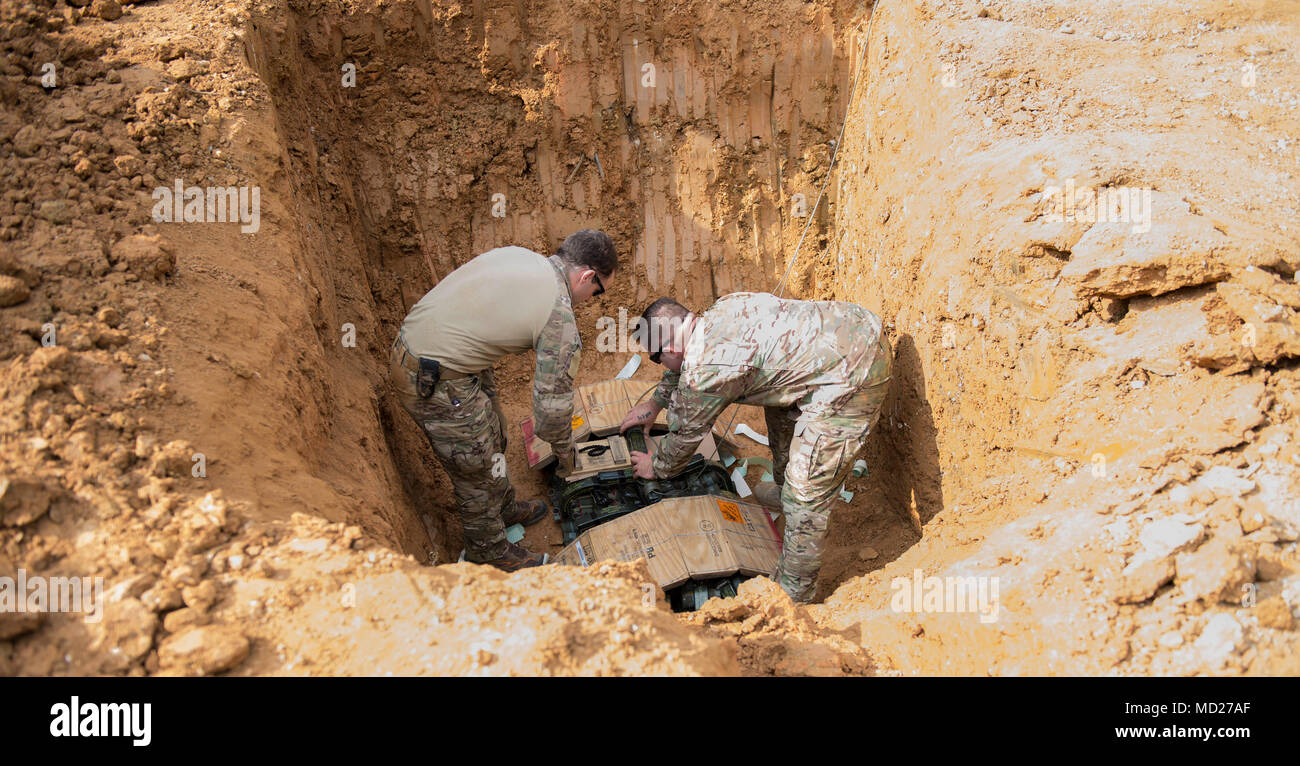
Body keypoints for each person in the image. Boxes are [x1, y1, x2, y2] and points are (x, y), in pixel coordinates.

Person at [619, 293, 892, 601]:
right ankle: (782, 487)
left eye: (657, 359)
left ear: (669, 349)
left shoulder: (706, 370)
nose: (661, 365)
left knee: (805, 492)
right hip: (851, 325)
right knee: (780, 414)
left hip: (854, 372)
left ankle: (795, 590)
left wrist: (656, 467)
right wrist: (656, 403)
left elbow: (685, 436)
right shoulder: (720, 310)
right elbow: (681, 366)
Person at [390, 230, 618, 571]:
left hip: (438, 353)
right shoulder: (559, 316)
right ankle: (489, 552)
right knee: (475, 466)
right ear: (587, 276)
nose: (591, 298)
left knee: (494, 432)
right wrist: (567, 457)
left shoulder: (522, 256)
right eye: (597, 290)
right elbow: (550, 414)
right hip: (432, 375)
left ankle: (503, 508)